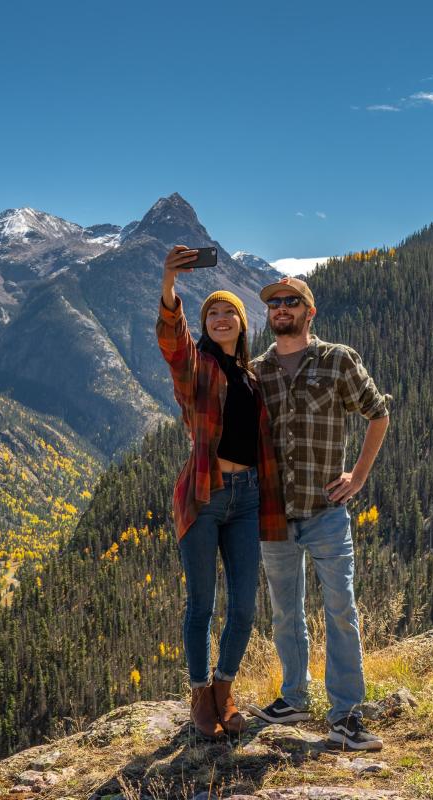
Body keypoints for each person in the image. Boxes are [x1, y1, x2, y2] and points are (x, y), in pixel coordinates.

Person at [250, 276, 390, 751]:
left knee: (341, 611)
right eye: (275, 304)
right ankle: (293, 698)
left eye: (292, 302)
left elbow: (378, 413)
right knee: (285, 614)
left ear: (309, 313)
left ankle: (346, 715)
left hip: (325, 511)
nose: (282, 309)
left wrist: (358, 476)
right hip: (273, 515)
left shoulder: (337, 361)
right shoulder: (257, 371)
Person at [157, 245, 288, 740]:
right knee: (200, 605)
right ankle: (198, 694)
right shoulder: (197, 368)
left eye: (228, 311)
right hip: (206, 495)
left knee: (244, 607)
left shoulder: (252, 376)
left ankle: (224, 687)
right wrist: (170, 284)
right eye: (212, 312)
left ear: (241, 323)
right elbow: (173, 342)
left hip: (248, 496)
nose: (219, 318)